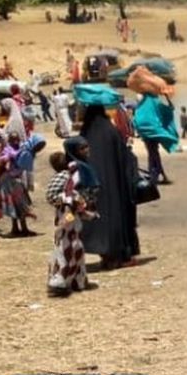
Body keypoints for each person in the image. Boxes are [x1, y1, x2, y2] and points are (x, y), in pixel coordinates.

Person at [79, 105, 139, 269]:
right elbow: (124, 158)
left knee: (97, 219)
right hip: (113, 185)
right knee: (115, 217)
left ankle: (105, 256)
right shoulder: (110, 131)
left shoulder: (85, 132)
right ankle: (117, 258)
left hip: (90, 186)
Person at [46, 141, 99, 296]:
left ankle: (78, 280)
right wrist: (64, 223)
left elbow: (79, 210)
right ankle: (59, 283)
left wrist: (89, 215)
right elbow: (70, 211)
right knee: (66, 255)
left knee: (77, 253)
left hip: (72, 230)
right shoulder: (69, 194)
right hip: (67, 231)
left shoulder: (72, 194)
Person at [0, 132, 45, 237]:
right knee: (14, 204)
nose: (16, 142)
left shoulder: (24, 150)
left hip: (16, 180)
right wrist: (10, 157)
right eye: (13, 140)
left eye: (17, 139)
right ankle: (15, 228)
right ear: (9, 141)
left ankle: (23, 228)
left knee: (19, 204)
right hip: (9, 180)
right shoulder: (9, 150)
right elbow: (2, 160)